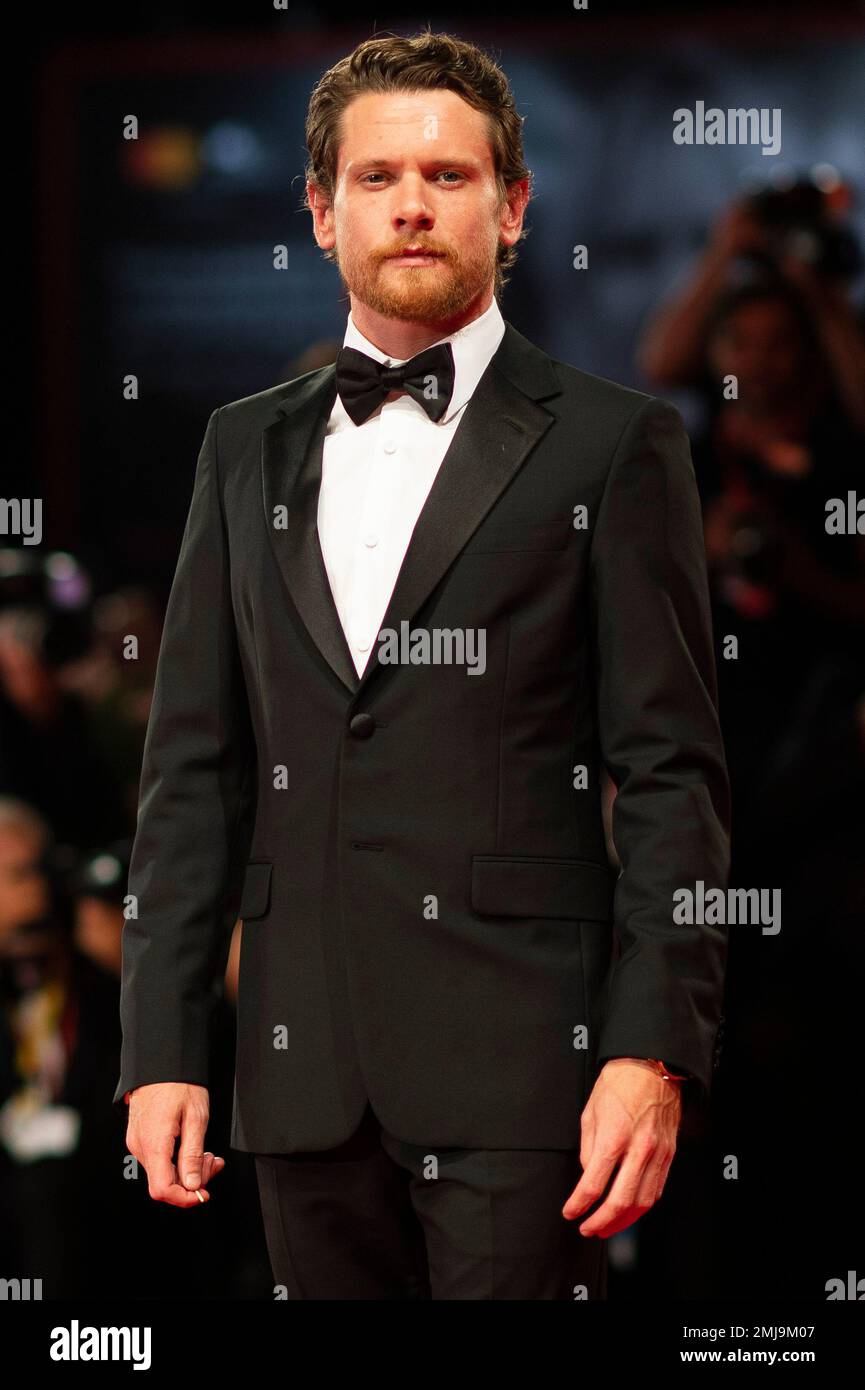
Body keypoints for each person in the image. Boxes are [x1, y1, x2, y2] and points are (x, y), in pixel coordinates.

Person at [114, 30, 730, 1300]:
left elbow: (671, 776)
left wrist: (653, 1047)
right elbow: (192, 771)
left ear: (511, 209)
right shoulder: (241, 449)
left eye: (449, 177)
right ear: (320, 207)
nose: (409, 204)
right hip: (298, 1071)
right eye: (377, 175)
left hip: (527, 1075)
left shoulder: (615, 447)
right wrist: (162, 1046)